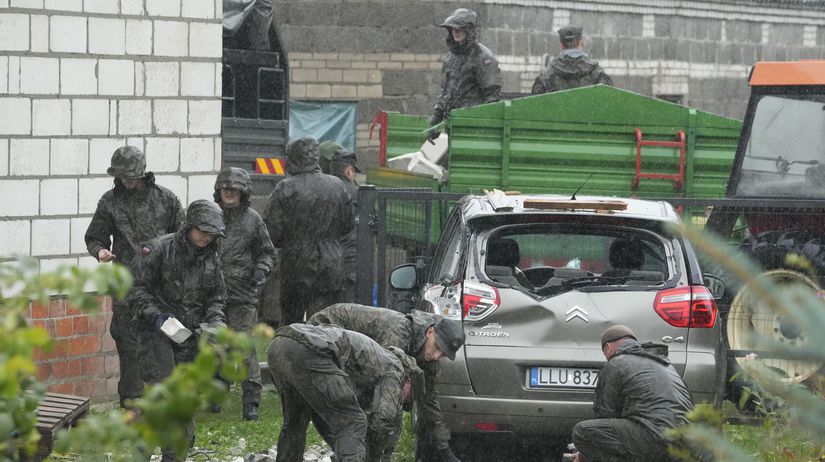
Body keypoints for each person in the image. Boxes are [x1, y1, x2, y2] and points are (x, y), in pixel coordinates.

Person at [84, 145, 184, 409]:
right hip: (126, 284)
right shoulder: (110, 201)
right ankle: (131, 402)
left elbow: (182, 239)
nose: (127, 181)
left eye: (132, 175)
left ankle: (167, 398)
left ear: (142, 173)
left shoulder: (166, 200)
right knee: (127, 340)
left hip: (161, 285)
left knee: (167, 337)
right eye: (122, 176)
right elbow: (95, 235)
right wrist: (100, 250)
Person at [128, 199, 228, 462]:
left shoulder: (212, 258)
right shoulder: (158, 249)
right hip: (155, 332)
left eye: (212, 233)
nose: (206, 238)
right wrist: (157, 316)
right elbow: (136, 289)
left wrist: (215, 323)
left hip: (189, 335)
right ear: (190, 226)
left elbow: (217, 298)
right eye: (202, 231)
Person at [308, 304, 466, 462]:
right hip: (322, 333)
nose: (436, 356)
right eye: (437, 347)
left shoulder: (429, 355)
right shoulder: (398, 333)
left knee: (383, 411)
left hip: (354, 353)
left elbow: (428, 400)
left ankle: (356, 454)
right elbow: (379, 384)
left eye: (443, 354)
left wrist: (445, 450)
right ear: (430, 331)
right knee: (362, 411)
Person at [267, 323, 405, 462]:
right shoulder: (395, 367)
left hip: (280, 343)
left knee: (296, 421)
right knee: (353, 421)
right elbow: (384, 420)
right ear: (408, 381)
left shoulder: (372, 361)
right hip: (309, 348)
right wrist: (372, 456)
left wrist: (343, 446)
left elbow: (324, 415)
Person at [262, 137, 353, 325]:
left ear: (292, 158)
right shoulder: (337, 185)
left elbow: (273, 233)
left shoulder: (285, 188)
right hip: (331, 266)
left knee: (291, 324)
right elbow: (347, 225)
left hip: (296, 266)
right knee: (325, 325)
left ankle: (291, 354)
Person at [570, 325, 694, 462]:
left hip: (658, 439)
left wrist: (584, 456)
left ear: (609, 348)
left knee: (583, 432)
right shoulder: (664, 364)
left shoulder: (616, 363)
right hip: (687, 443)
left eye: (605, 354)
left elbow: (605, 415)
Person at [212, 167, 276, 420]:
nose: (229, 193)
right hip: (212, 296)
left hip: (242, 295)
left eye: (234, 189)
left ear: (243, 192)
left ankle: (251, 402)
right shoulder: (211, 215)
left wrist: (261, 270)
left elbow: (267, 252)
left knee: (246, 349)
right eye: (225, 188)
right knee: (214, 346)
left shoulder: (253, 219)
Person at [428, 8, 502, 141]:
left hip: (472, 124)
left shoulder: (483, 57)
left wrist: (479, 125)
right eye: (452, 29)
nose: (455, 33)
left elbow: (491, 97)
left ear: (469, 30)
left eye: (459, 29)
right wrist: (436, 115)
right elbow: (446, 91)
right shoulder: (451, 57)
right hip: (453, 121)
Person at [531, 25, 613, 95]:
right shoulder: (596, 72)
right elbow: (609, 99)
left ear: (561, 45)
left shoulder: (547, 74)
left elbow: (535, 103)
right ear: (582, 43)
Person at [328, 148, 361, 302]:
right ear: (349, 171)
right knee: (347, 310)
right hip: (349, 263)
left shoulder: (322, 190)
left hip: (324, 262)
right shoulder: (357, 194)